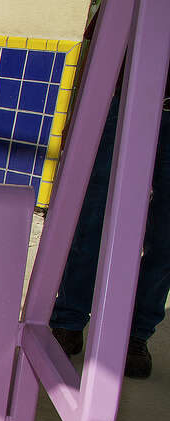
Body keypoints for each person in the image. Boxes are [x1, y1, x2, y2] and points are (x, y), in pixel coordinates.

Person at [50, 72, 169, 379]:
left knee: (166, 238)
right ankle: (68, 321)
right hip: (125, 99)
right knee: (93, 216)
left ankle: (135, 335)